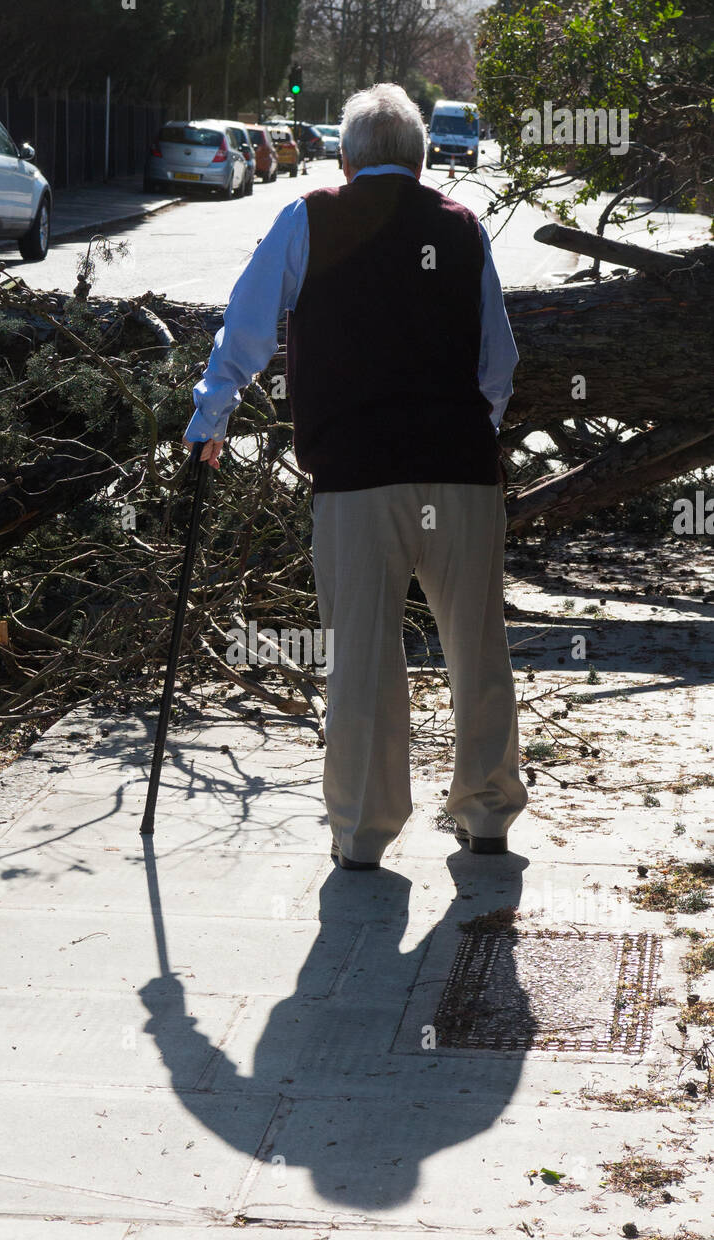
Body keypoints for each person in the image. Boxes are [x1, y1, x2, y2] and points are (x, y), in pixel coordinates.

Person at [185, 82, 527, 870]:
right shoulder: (461, 228)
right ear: (421, 158)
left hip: (356, 478)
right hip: (461, 475)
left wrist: (210, 418)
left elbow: (246, 326)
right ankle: (485, 817)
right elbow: (497, 366)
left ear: (344, 158)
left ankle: (364, 834)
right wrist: (466, 435)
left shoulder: (310, 218)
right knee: (476, 647)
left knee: (365, 658)